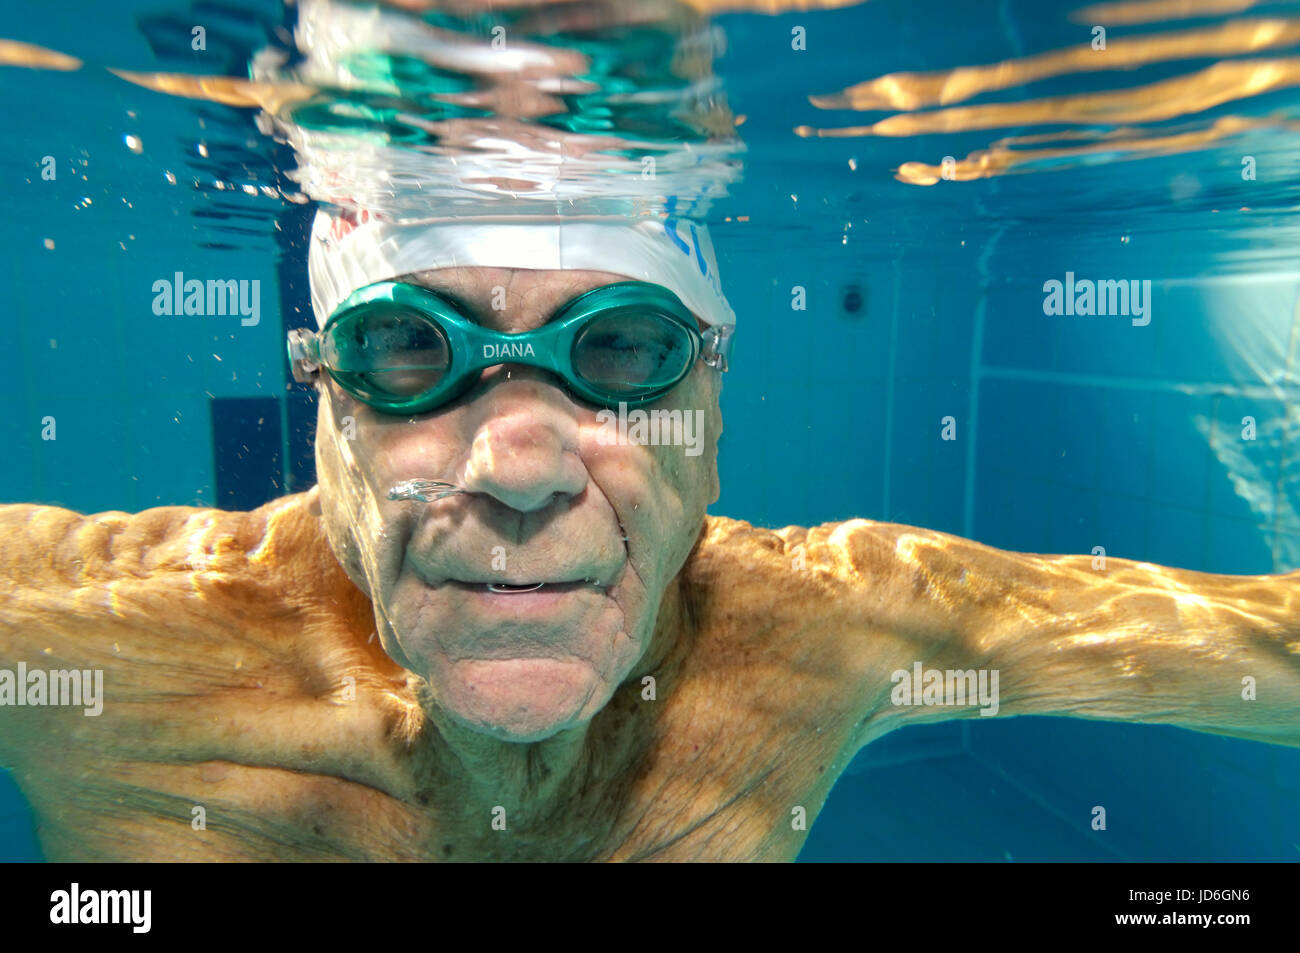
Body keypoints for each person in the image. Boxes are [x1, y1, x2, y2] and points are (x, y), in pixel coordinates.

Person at [0, 206, 1296, 862]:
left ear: (715, 414)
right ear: (323, 407)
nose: (516, 467)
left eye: (622, 349)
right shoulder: (95, 640)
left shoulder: (837, 627)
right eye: (411, 350)